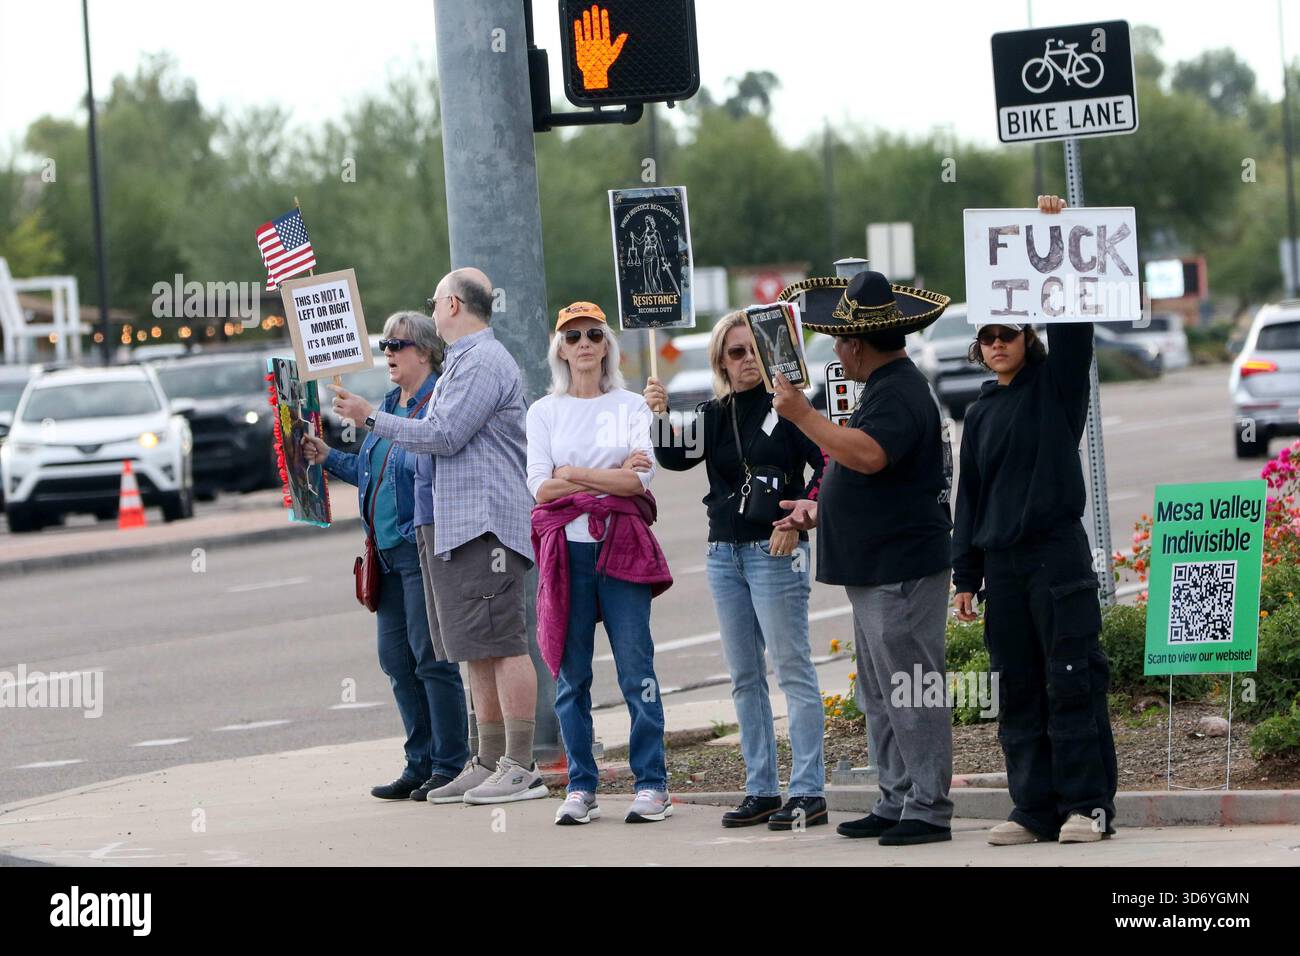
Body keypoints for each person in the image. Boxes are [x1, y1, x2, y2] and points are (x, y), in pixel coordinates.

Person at [330, 268, 544, 806]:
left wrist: (370, 417)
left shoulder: (484, 360)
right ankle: (490, 758)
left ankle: (521, 764)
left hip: (485, 523)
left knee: (502, 642)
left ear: (451, 305)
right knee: (474, 648)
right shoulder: (463, 363)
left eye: (435, 300)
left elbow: (444, 435)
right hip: (455, 525)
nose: (433, 308)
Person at [953, 195, 1119, 846]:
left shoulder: (1057, 388)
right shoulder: (981, 411)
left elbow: (1076, 328)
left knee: (1072, 679)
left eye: (1009, 334)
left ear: (1030, 337)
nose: (997, 345)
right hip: (1003, 568)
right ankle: (1033, 809)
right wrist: (966, 574)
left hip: (1057, 558)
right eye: (988, 336)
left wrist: (1058, 230)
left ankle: (1088, 807)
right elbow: (970, 499)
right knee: (1016, 689)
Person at [773, 270, 956, 846]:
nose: (835, 351)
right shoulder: (888, 388)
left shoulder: (899, 389)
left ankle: (928, 807)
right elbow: (866, 471)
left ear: (856, 344)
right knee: (879, 692)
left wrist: (803, 415)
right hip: (875, 567)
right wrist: (817, 507)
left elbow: (871, 456)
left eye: (839, 342)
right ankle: (897, 797)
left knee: (910, 688)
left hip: (900, 568)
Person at [644, 310, 828, 830]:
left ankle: (809, 791)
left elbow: (829, 462)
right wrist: (658, 417)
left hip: (775, 552)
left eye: (754, 350)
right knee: (746, 676)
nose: (748, 360)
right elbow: (678, 458)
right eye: (736, 353)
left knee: (793, 669)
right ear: (721, 361)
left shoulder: (790, 408)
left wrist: (799, 515)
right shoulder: (714, 413)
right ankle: (762, 788)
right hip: (723, 553)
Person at [301, 311, 469, 801]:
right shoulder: (392, 403)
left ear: (424, 350)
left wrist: (370, 415)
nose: (388, 354)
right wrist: (327, 456)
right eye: (385, 345)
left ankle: (450, 765)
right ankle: (418, 763)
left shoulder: (437, 401)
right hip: (386, 552)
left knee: (431, 657)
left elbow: (427, 456)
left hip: (422, 548)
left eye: (396, 345)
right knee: (395, 659)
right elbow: (371, 468)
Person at [528, 302, 674, 825]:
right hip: (565, 552)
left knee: (638, 671)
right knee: (572, 678)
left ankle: (653, 783)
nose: (584, 344)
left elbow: (639, 481)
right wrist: (604, 472)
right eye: (573, 337)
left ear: (607, 345)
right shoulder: (544, 411)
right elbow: (541, 489)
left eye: (593, 334)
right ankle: (581, 785)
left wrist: (574, 472)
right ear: (561, 349)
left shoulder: (633, 405)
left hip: (622, 546)